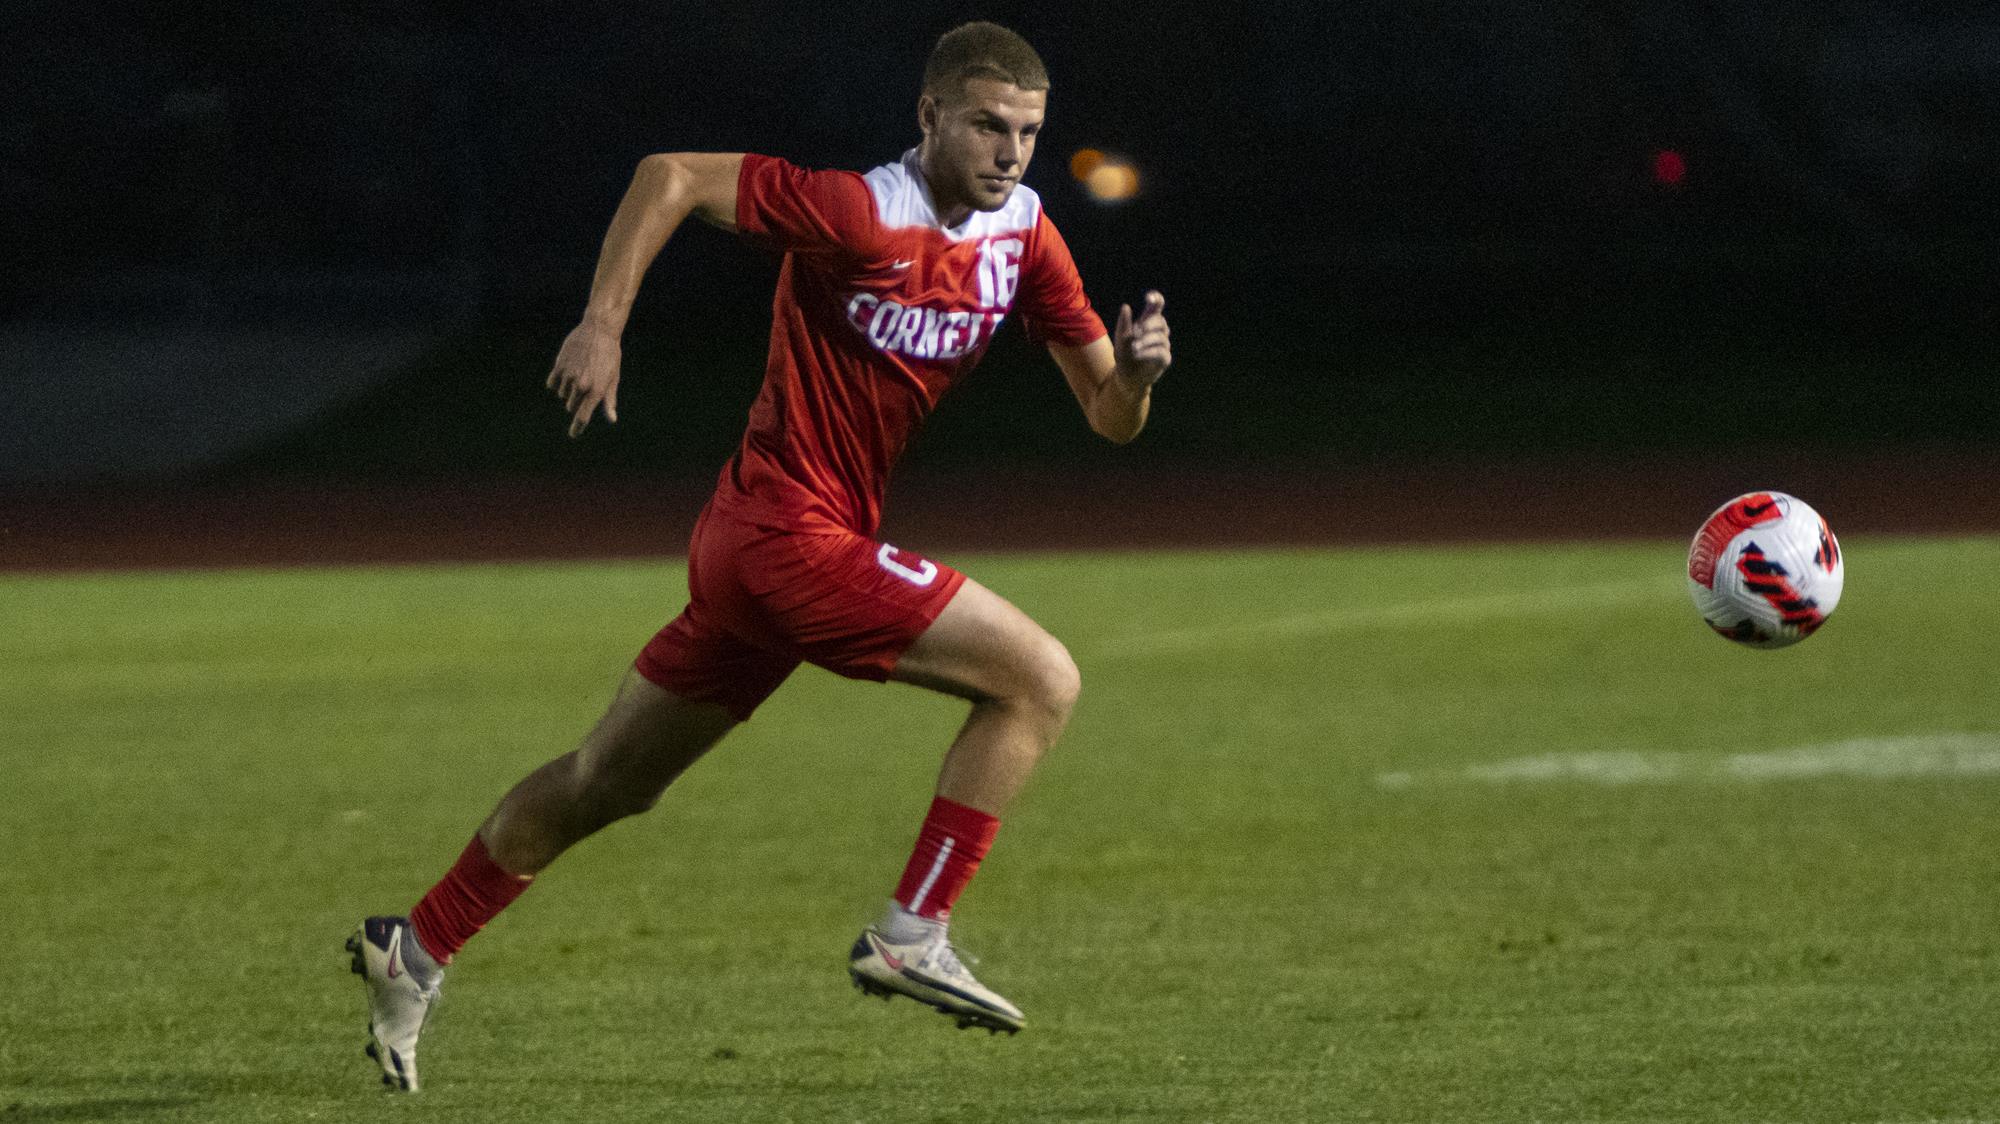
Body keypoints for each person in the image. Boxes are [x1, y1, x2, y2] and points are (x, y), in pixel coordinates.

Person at [346, 20, 1172, 1092]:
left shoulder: (1024, 236)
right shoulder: (856, 209)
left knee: (606, 782)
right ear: (928, 118)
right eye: (984, 124)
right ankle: (913, 927)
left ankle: (415, 946)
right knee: (1040, 679)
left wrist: (1141, 379)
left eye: (1024, 130)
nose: (1008, 149)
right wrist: (603, 323)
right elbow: (671, 174)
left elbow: (1107, 416)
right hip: (785, 536)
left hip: (770, 553)